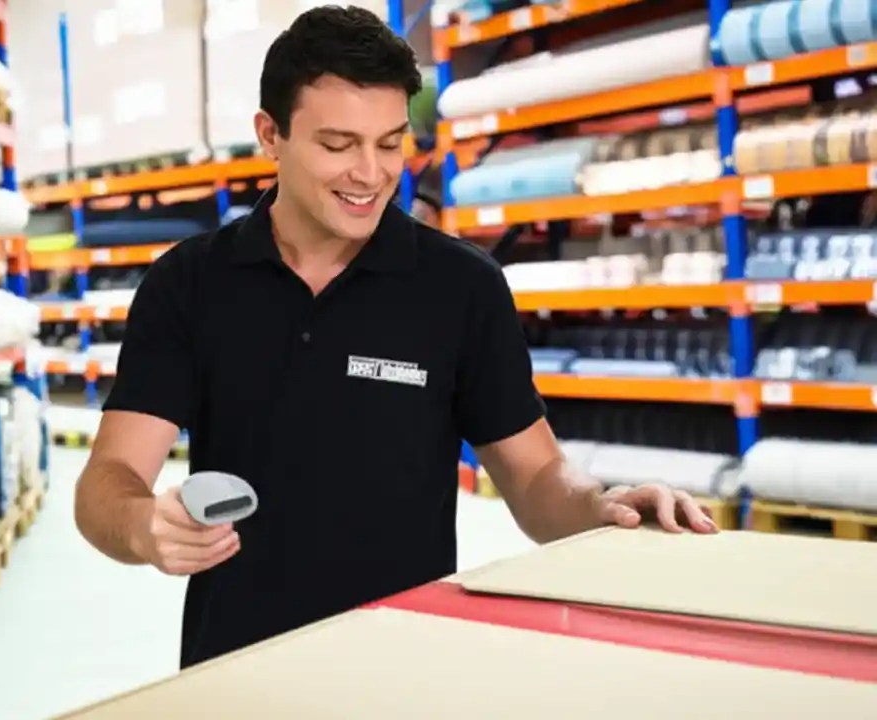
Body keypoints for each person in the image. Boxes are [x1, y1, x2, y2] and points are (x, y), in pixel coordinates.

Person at [73, 5, 718, 671]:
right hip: (235, 669)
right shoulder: (190, 285)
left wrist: (599, 503)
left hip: (409, 668)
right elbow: (107, 482)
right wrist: (143, 526)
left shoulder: (461, 287)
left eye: (389, 143)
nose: (370, 173)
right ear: (270, 135)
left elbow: (535, 478)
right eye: (337, 144)